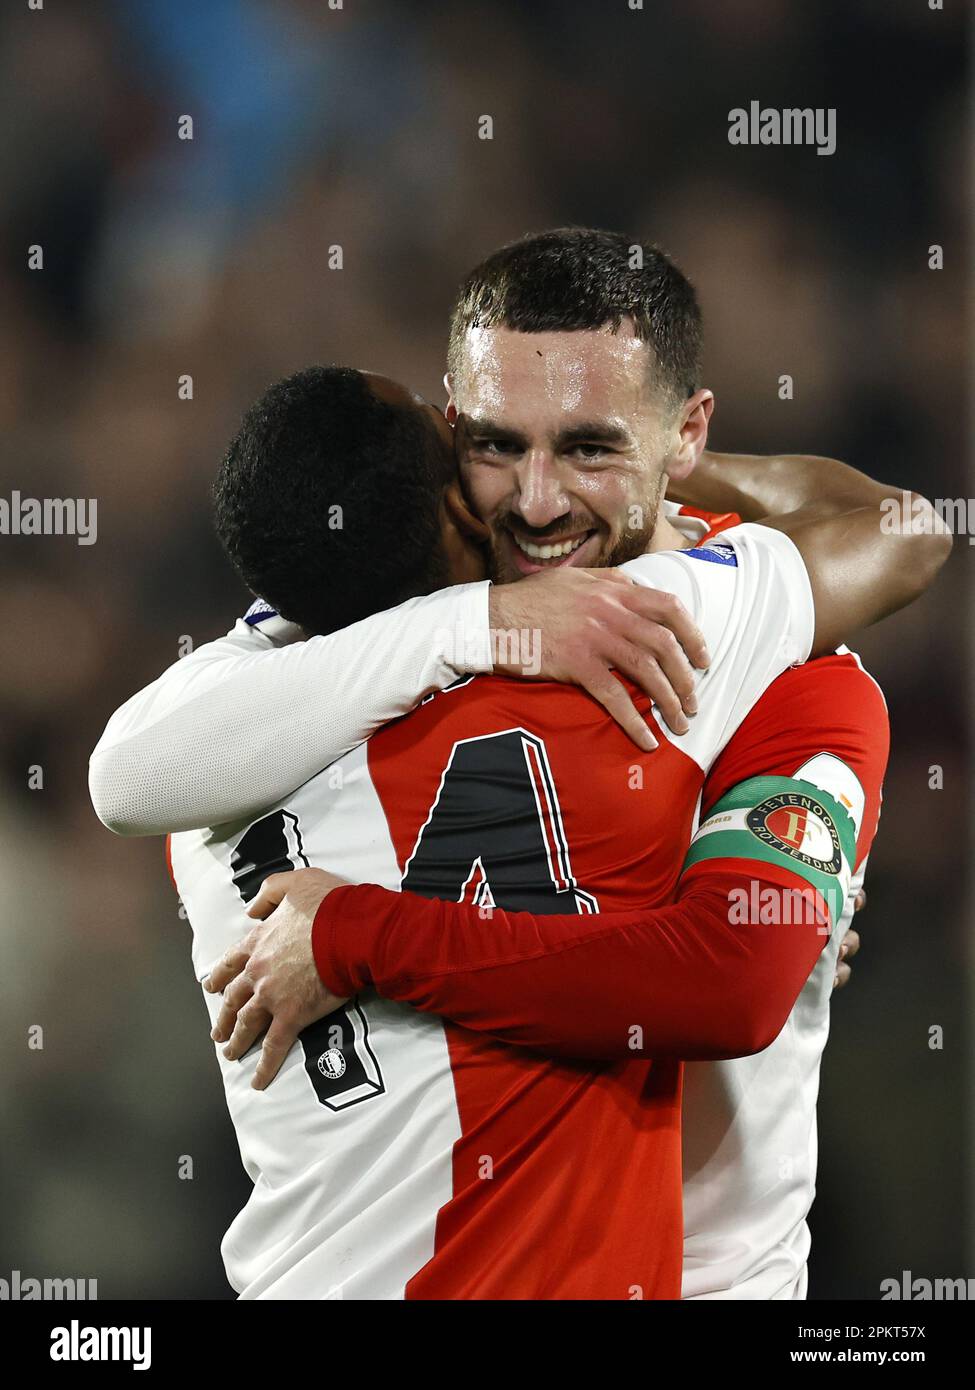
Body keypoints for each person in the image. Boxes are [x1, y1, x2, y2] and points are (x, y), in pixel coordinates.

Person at [90, 231, 949, 1298]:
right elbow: (905, 527)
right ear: (448, 442)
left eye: (587, 448)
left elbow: (124, 776)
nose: (538, 501)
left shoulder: (253, 706)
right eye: (497, 445)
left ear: (686, 433)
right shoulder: (687, 627)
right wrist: (508, 593)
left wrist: (360, 931)